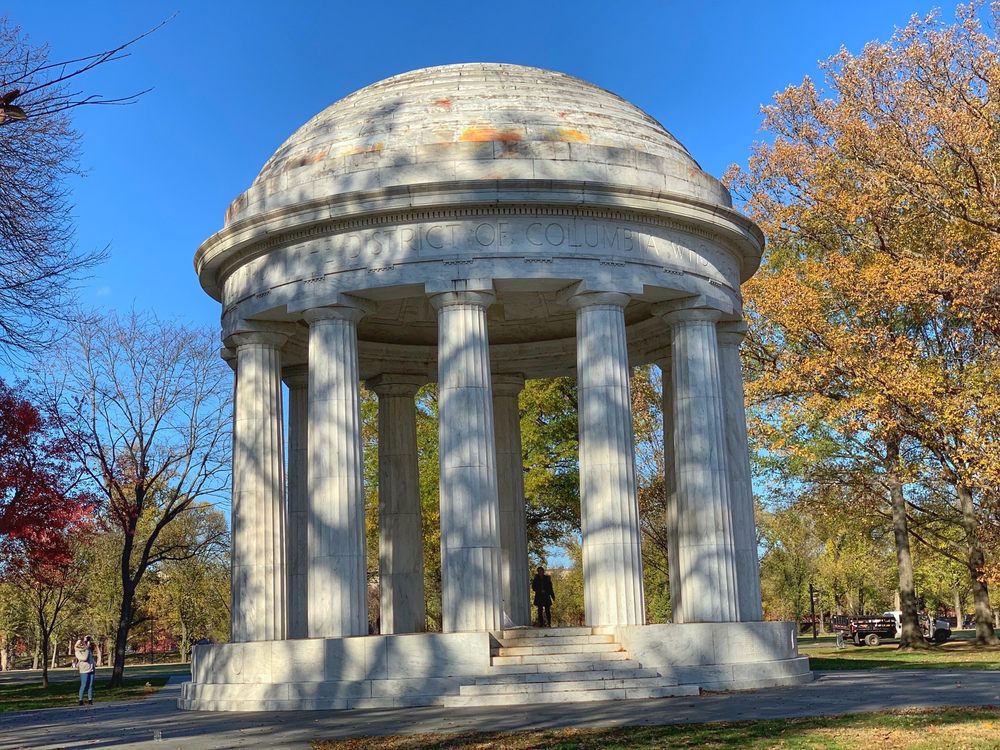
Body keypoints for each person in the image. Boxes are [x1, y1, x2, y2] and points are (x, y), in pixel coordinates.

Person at [73, 636, 96, 705]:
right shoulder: (77, 652)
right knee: (84, 684)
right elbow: (84, 658)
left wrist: (94, 663)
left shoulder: (88, 650)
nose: (83, 644)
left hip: (91, 668)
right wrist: (86, 648)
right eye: (81, 643)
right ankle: (80, 700)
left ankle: (90, 699)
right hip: (84, 670)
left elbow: (91, 658)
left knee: (90, 685)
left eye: (84, 643)